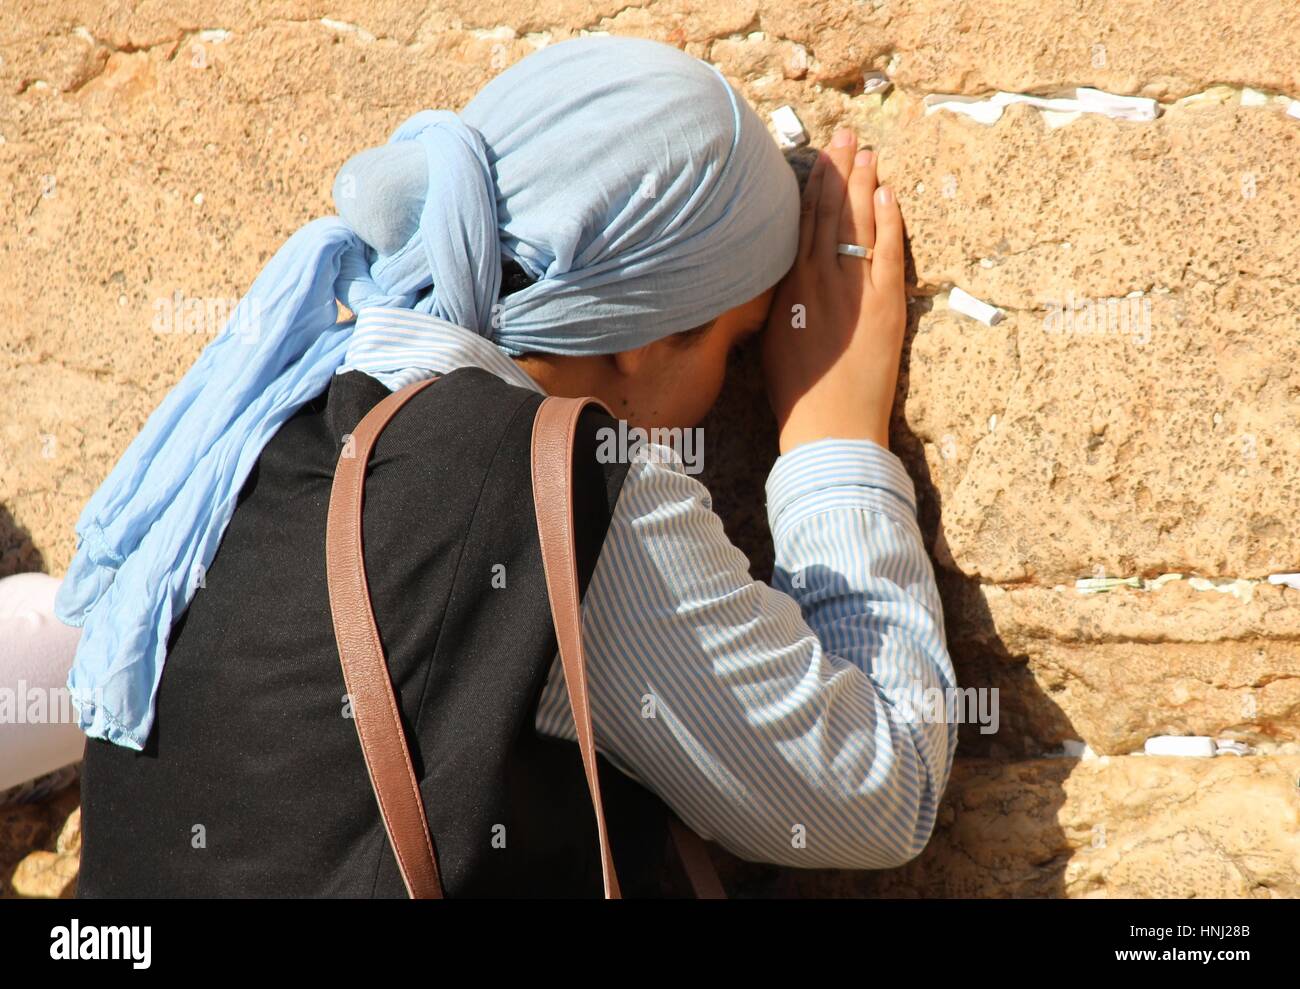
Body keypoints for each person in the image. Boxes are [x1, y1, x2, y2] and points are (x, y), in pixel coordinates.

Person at [3, 34, 957, 895]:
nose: (729, 384)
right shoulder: (554, 481)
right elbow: (880, 793)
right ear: (638, 343)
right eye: (737, 344)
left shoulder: (274, 402)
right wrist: (835, 437)